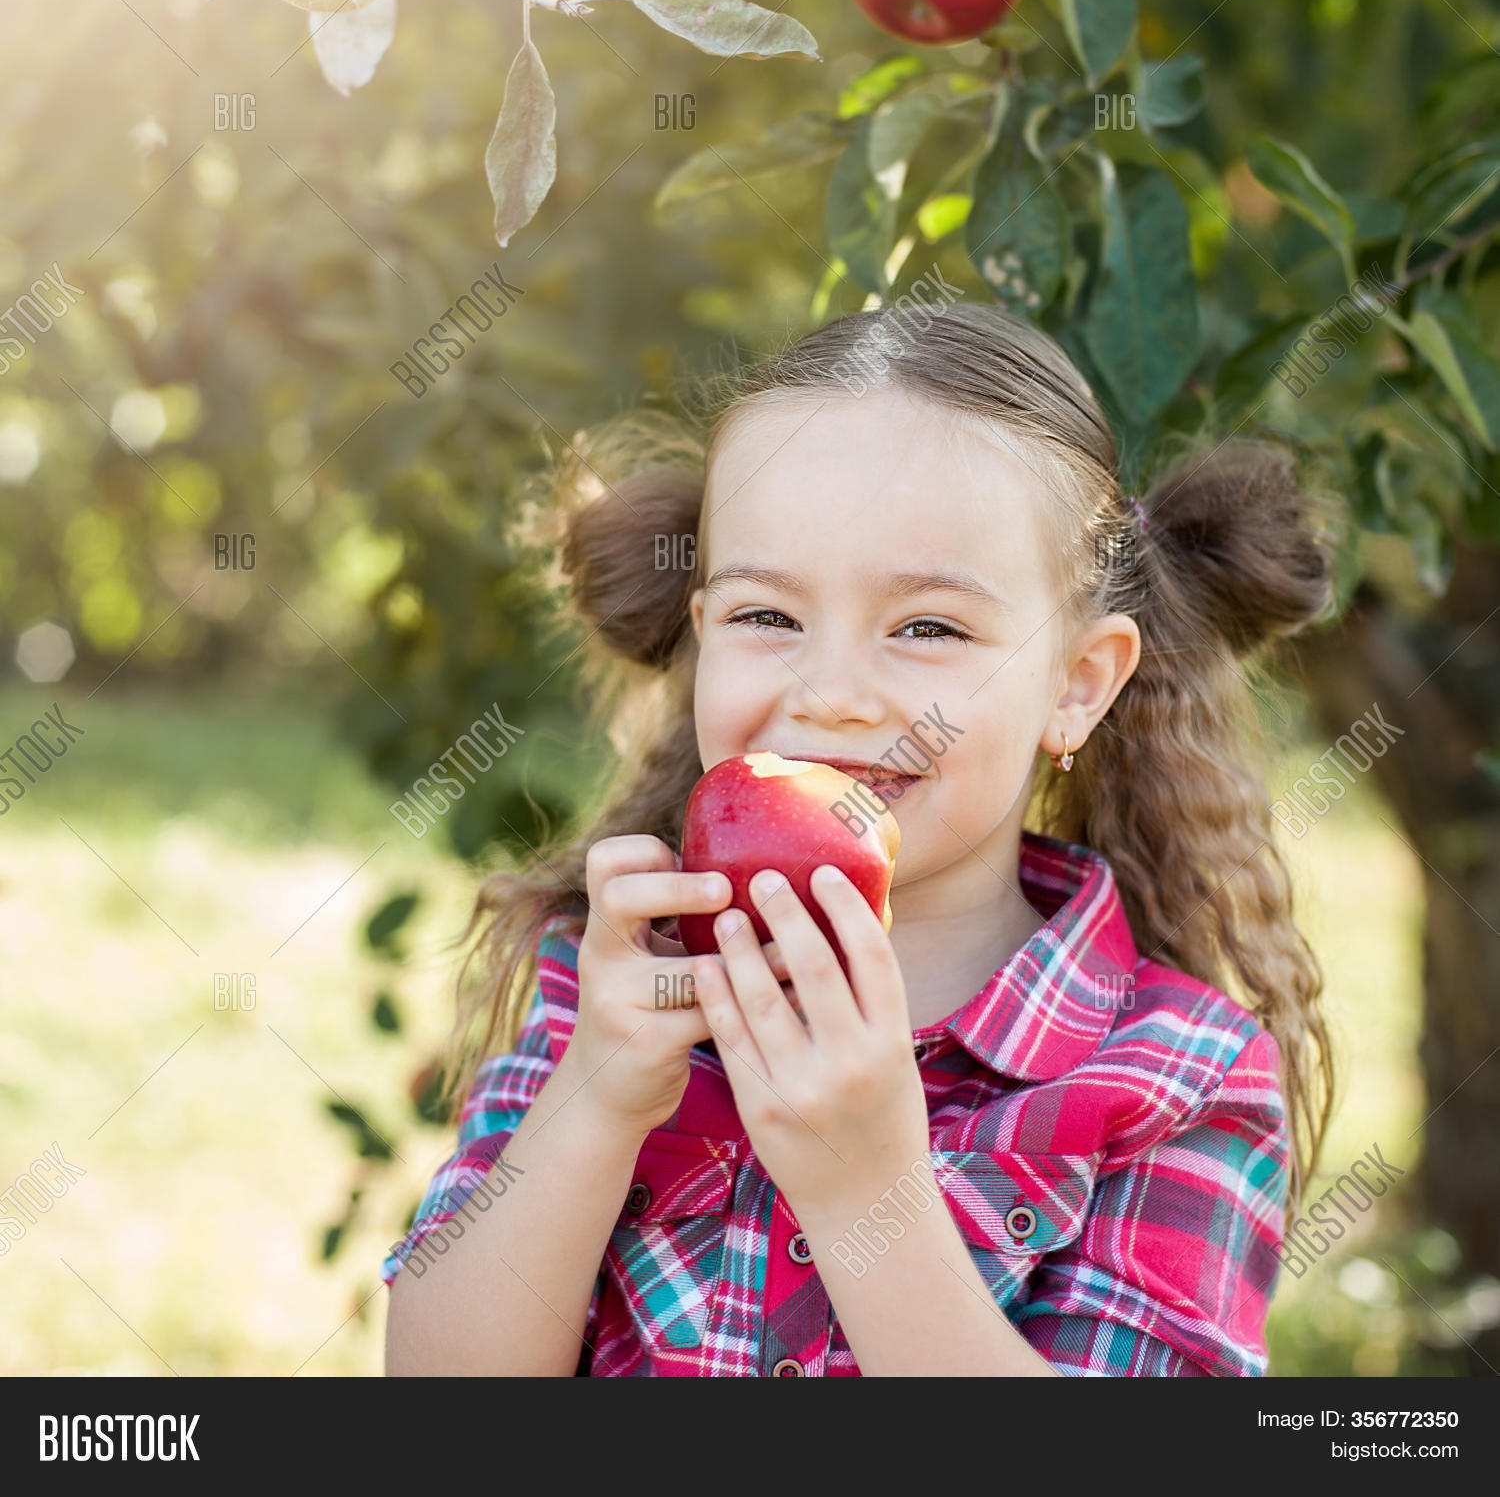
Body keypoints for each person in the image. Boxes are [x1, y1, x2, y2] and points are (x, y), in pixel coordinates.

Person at [382, 300, 1337, 1377]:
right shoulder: (613, 983)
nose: (829, 693)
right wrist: (595, 1102)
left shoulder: (1177, 1076)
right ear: (702, 642)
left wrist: (865, 1191)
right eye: (767, 617)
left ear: (1076, 685)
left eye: (928, 627)